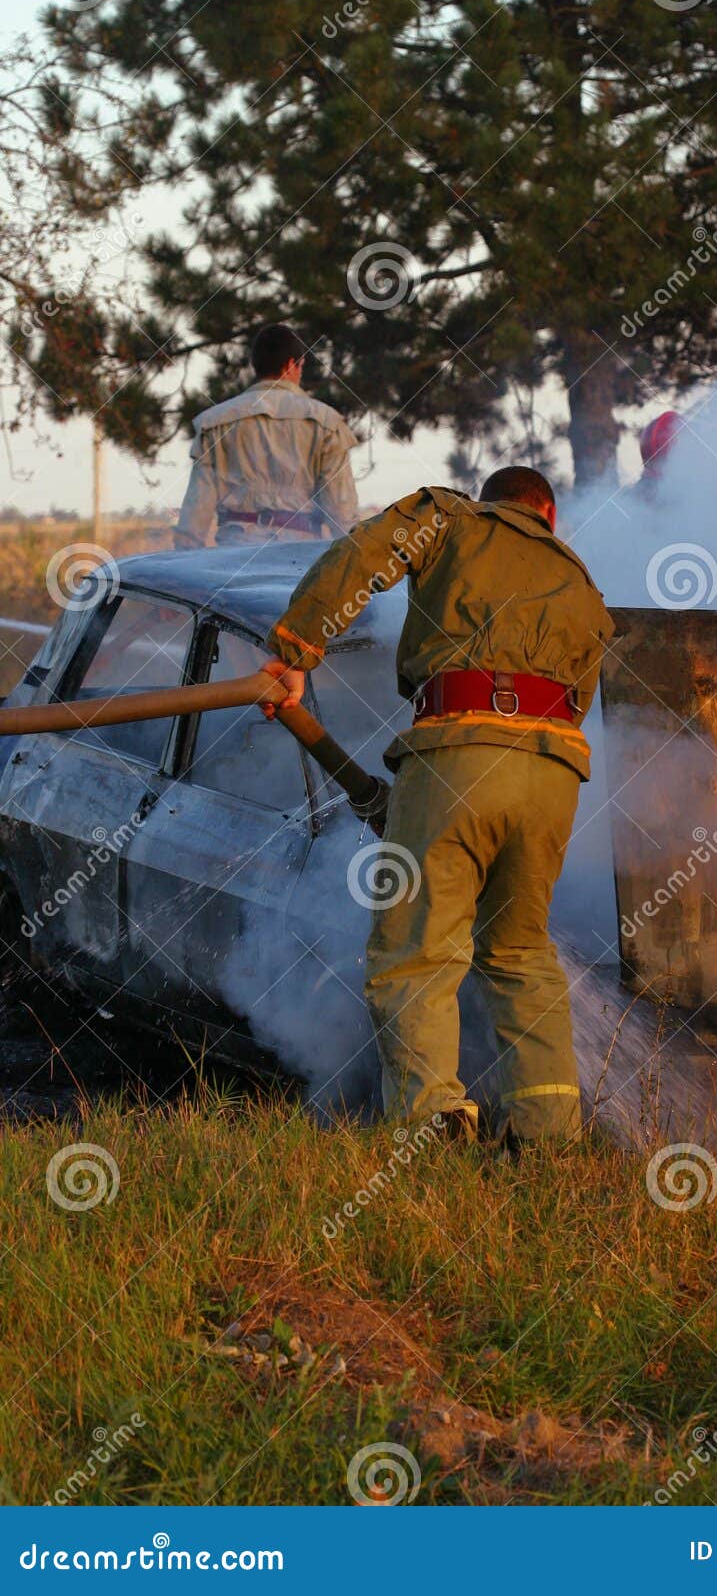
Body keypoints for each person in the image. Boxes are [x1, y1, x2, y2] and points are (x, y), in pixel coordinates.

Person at [259, 467, 614, 1144]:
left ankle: (430, 1131)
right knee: (519, 952)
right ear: (549, 515)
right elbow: (581, 699)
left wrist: (296, 649)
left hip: (458, 753)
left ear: (492, 503)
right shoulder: (580, 580)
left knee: (417, 952)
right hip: (554, 776)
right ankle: (549, 1139)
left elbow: (363, 554)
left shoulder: (451, 519)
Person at [174, 324, 359, 549]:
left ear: (255, 366)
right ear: (291, 365)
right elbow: (342, 513)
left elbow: (196, 512)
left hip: (233, 555)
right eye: (301, 366)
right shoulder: (327, 423)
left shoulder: (216, 422)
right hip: (300, 560)